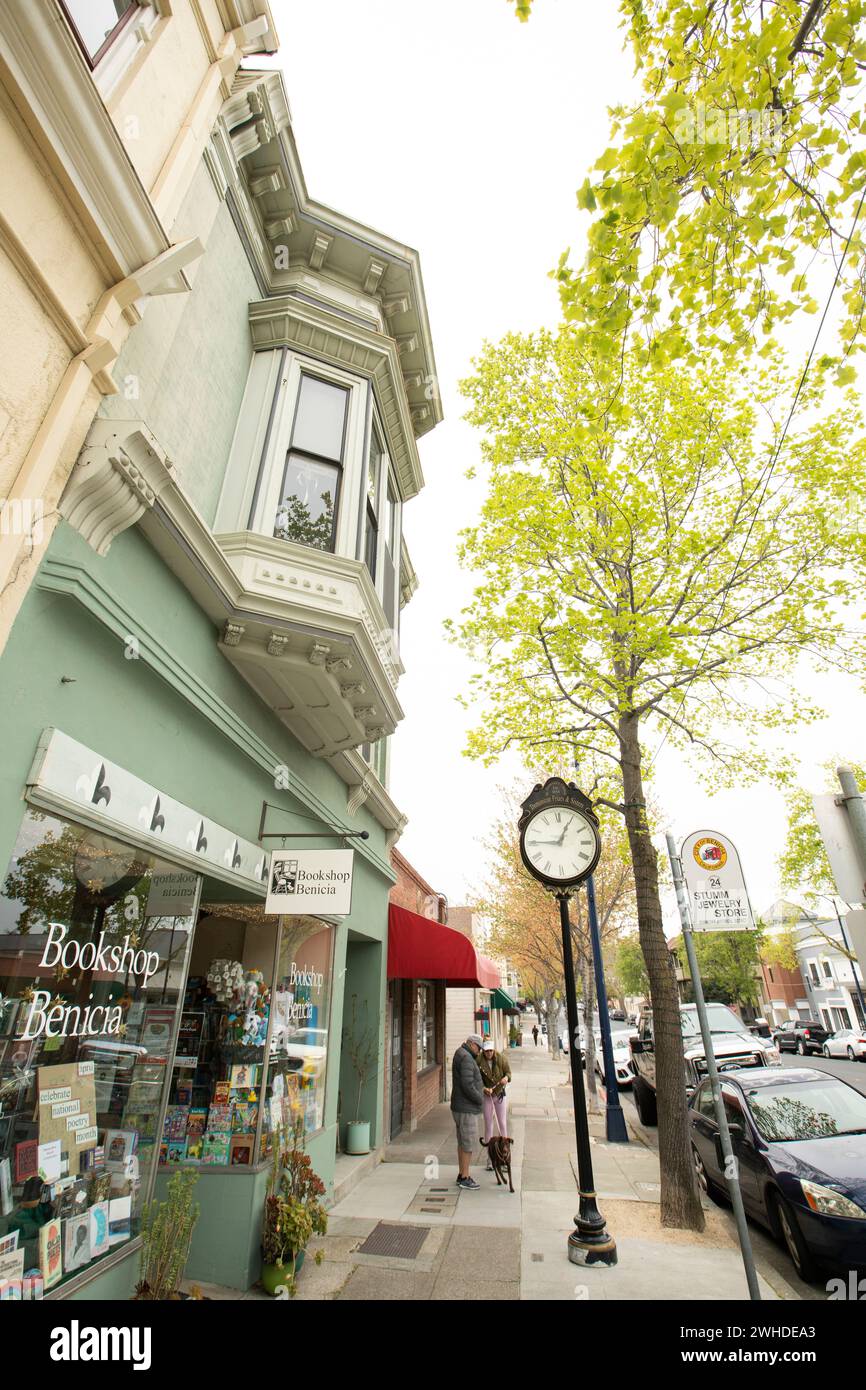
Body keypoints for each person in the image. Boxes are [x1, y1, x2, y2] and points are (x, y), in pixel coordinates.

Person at [451, 1033, 484, 1190]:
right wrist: (480, 1098)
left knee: (462, 1141)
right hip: (466, 1108)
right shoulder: (467, 1058)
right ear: (471, 1044)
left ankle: (461, 1173)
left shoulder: (461, 1054)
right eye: (478, 1047)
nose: (479, 1051)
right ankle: (465, 1177)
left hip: (460, 1106)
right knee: (468, 1143)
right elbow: (467, 1084)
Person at [478, 1037, 511, 1169]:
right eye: (486, 1051)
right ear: (483, 1051)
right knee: (488, 1126)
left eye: (491, 1051)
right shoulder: (479, 1061)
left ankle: (504, 1157)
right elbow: (477, 1078)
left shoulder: (501, 1059)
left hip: (499, 1095)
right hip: (488, 1096)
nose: (489, 1053)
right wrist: (483, 1089)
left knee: (502, 1124)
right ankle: (490, 1159)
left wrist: (506, 1078)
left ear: (494, 1050)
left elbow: (508, 1072)